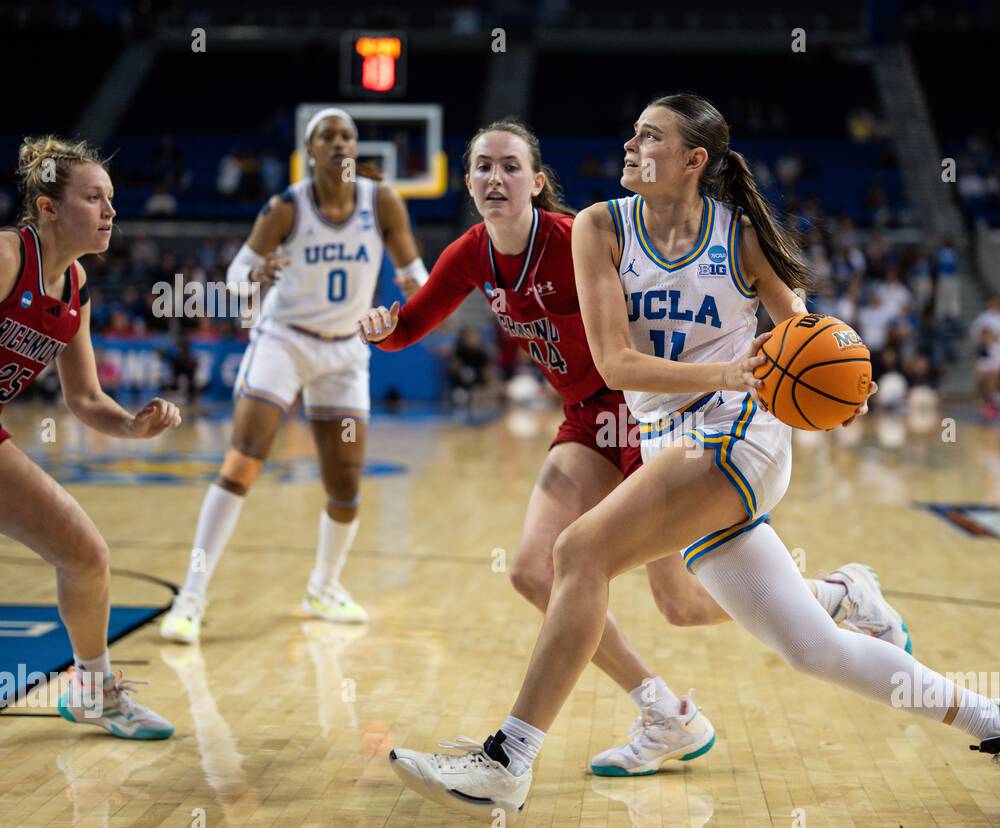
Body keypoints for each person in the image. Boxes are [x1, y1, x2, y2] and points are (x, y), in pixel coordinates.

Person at [384, 94, 1000, 821]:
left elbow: (802, 331)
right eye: (632, 132)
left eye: (649, 137)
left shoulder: (738, 238)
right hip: (674, 440)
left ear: (691, 161)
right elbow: (614, 364)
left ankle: (507, 759)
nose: (630, 146)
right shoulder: (598, 227)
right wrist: (727, 369)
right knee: (813, 651)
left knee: (576, 554)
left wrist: (832, 381)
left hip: (741, 435)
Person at [362, 119, 902, 776]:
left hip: (651, 416)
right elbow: (410, 325)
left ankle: (831, 594)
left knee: (677, 602)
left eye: (509, 167)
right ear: (468, 181)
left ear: (537, 182)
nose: (494, 179)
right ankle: (665, 710)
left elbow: (676, 311)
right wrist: (382, 329)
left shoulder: (576, 240)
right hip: (586, 420)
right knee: (535, 571)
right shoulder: (471, 253)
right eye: (481, 167)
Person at [157, 108, 426, 643]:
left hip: (347, 350)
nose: (340, 144)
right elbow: (235, 277)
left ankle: (323, 586)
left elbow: (413, 276)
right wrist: (255, 274)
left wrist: (426, 304)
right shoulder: (286, 207)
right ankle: (191, 594)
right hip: (284, 340)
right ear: (309, 150)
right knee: (241, 462)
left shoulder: (383, 202)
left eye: (348, 136)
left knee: (346, 484)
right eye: (328, 136)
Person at [0, 136, 181, 738]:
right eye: (94, 198)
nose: (110, 212)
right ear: (48, 208)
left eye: (111, 199)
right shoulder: (5, 257)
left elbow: (83, 398)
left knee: (86, 556)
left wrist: (132, 426)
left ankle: (93, 692)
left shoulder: (73, 283)